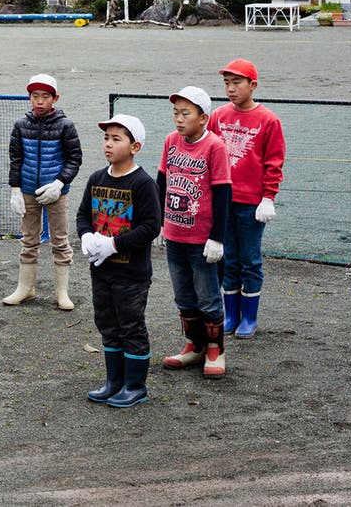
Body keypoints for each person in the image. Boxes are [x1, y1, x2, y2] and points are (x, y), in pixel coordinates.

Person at [77, 114, 160, 408]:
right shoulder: (97, 178)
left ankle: (135, 385)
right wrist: (87, 236)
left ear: (134, 146)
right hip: (101, 269)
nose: (108, 144)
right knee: (106, 322)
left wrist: (114, 244)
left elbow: (151, 227)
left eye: (116, 139)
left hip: (132, 272)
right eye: (106, 138)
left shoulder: (143, 183)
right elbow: (83, 215)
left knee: (131, 324)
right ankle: (114, 381)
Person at [158, 86, 232, 377]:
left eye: (185, 113)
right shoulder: (170, 142)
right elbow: (162, 181)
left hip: (202, 240)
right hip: (175, 235)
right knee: (184, 295)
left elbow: (223, 193)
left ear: (203, 118)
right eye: (175, 113)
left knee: (208, 295)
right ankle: (194, 345)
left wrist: (217, 237)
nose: (178, 119)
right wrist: (158, 222)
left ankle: (215, 349)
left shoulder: (215, 147)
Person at [209, 58, 286, 338]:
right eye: (227, 83)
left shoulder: (268, 120)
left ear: (252, 85)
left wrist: (268, 197)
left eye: (237, 83)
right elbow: (211, 156)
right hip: (223, 199)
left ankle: (249, 318)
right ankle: (231, 314)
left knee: (250, 258)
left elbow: (273, 162)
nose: (231, 89)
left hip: (251, 204)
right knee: (227, 257)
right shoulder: (218, 116)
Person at [2, 73, 83, 311]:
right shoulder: (20, 125)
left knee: (60, 239)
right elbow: (16, 159)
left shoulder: (65, 126)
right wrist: (15, 189)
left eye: (45, 96)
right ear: (29, 97)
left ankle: (62, 291)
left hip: (55, 192)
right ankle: (25, 288)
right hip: (28, 190)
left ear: (54, 98)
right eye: (35, 96)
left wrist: (59, 183)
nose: (39, 101)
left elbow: (74, 159)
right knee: (29, 239)